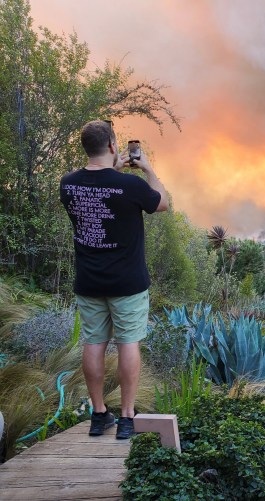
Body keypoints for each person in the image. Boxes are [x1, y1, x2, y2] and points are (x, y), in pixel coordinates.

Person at [59, 120, 168, 439]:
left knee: (93, 344)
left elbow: (98, 190)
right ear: (112, 146)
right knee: (127, 344)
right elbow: (162, 203)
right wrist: (147, 169)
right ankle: (126, 418)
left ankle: (98, 414)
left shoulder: (68, 184)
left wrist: (113, 170)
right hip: (128, 284)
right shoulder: (130, 186)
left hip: (90, 282)